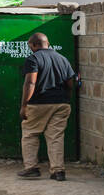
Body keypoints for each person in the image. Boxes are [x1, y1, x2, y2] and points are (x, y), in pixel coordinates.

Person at [18, 32, 77, 181]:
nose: (30, 48)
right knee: (55, 137)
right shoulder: (63, 59)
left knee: (30, 134)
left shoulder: (33, 59)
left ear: (34, 45)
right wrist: (66, 99)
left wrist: (24, 105)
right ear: (48, 43)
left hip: (39, 104)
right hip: (61, 103)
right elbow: (70, 83)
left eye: (29, 45)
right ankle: (58, 171)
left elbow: (30, 82)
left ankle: (31, 168)